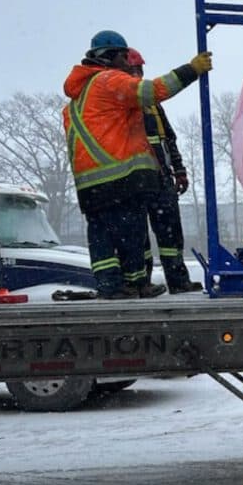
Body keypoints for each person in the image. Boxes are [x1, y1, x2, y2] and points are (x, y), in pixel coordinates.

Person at [63, 30, 212, 300]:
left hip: (90, 183)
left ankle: (111, 286)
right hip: (120, 177)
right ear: (111, 57)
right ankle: (136, 284)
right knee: (131, 233)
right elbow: (152, 91)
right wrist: (192, 70)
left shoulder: (79, 97)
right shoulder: (109, 81)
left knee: (102, 238)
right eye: (124, 56)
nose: (128, 64)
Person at [125, 48, 201, 294]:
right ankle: (142, 282)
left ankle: (178, 281)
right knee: (138, 237)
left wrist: (179, 170)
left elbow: (168, 137)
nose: (137, 75)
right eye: (132, 70)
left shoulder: (152, 103)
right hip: (134, 180)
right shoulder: (121, 105)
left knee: (171, 233)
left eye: (139, 70)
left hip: (161, 179)